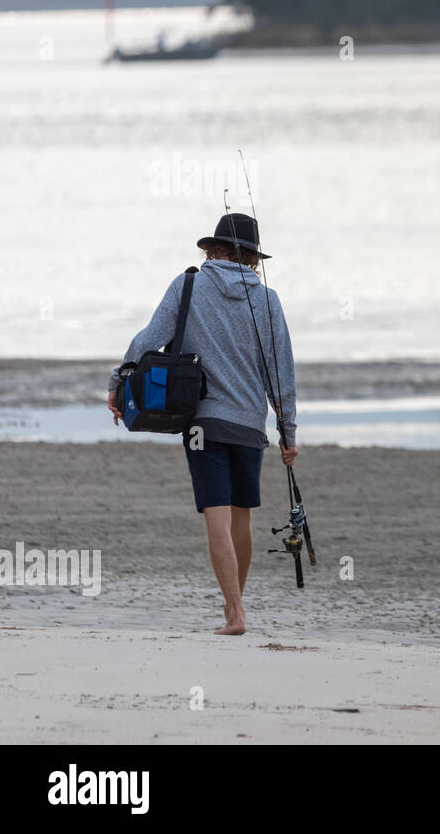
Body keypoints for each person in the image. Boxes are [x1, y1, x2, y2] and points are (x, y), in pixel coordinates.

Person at [107, 213, 297, 635]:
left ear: (214, 248)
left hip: (204, 423)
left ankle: (235, 613)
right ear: (251, 255)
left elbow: (148, 338)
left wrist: (117, 381)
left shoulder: (187, 285)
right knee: (242, 516)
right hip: (250, 425)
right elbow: (281, 372)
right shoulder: (268, 301)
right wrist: (289, 431)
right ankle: (237, 607)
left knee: (217, 518)